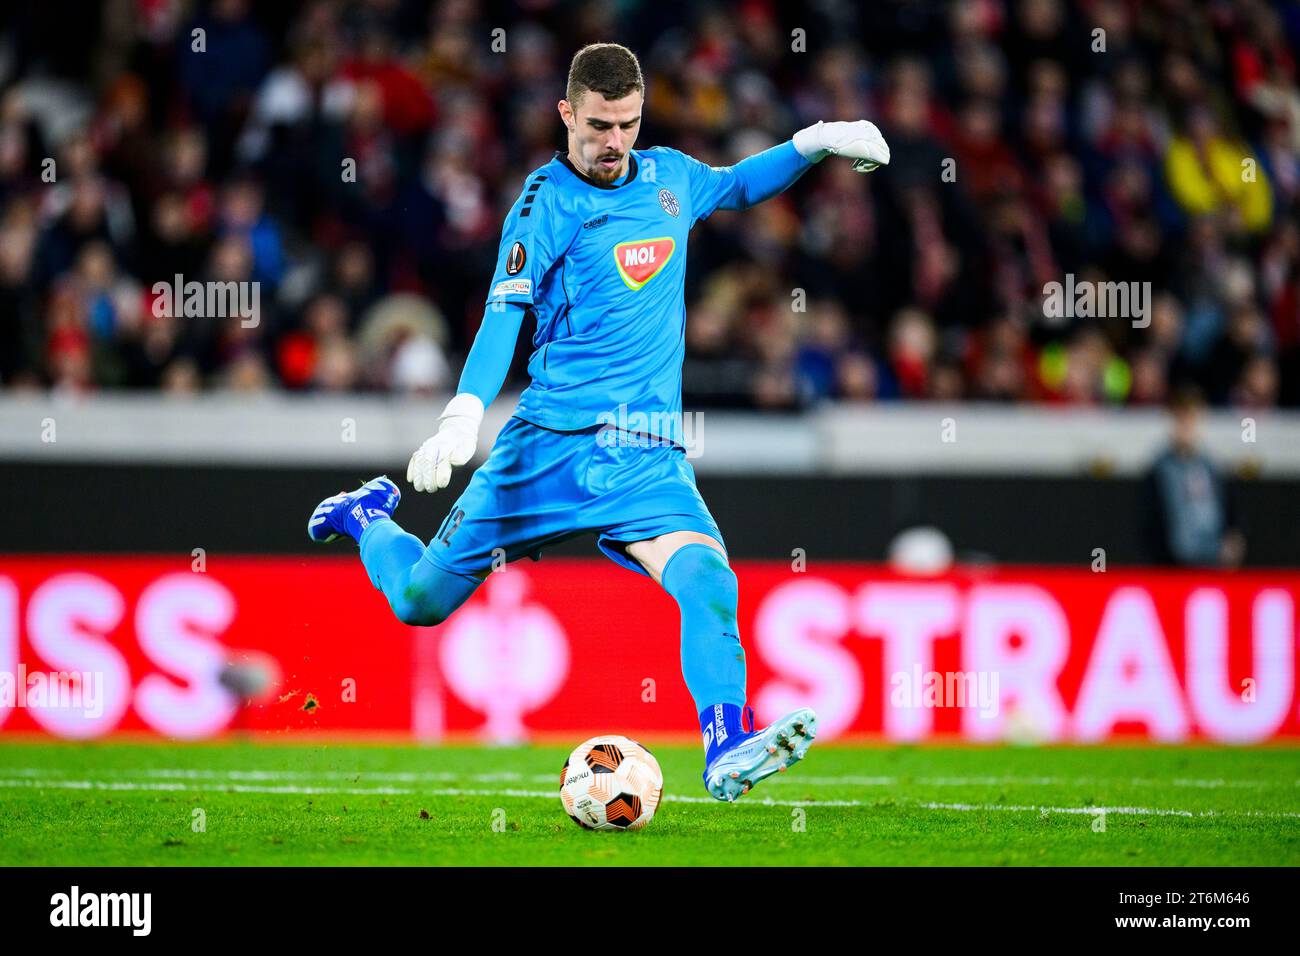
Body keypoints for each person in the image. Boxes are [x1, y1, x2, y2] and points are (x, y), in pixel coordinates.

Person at [307, 43, 890, 801]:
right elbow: (501, 317)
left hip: (642, 452)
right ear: (566, 114)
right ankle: (366, 520)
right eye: (599, 126)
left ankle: (726, 744)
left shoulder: (672, 178)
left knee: (708, 579)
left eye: (628, 124)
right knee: (421, 602)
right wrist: (462, 417)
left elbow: (740, 185)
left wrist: (813, 143)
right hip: (545, 447)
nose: (614, 143)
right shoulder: (542, 204)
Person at [1144, 387, 1245, 568]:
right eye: (1181, 419)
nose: (1187, 426)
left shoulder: (1213, 469)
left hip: (1213, 566)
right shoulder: (1159, 473)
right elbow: (1149, 526)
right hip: (1174, 569)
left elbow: (1230, 517)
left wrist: (1231, 541)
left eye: (1191, 418)